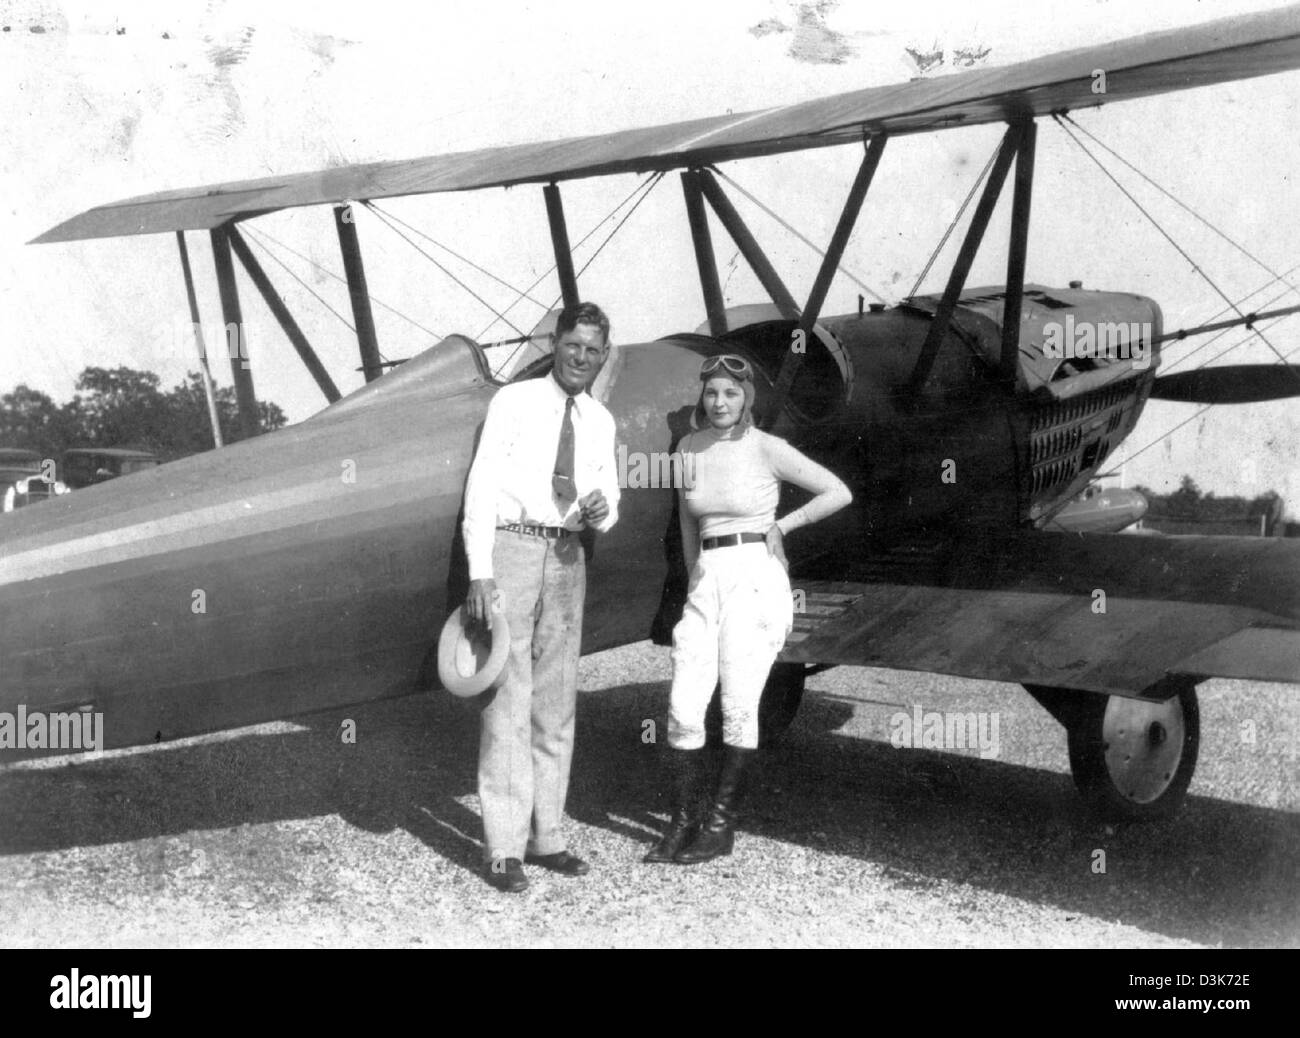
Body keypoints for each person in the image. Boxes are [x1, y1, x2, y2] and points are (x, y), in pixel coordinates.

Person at [645, 353, 852, 865]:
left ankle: (719, 827)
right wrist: (693, 581)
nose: (720, 402)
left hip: (754, 577)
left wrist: (783, 526)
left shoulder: (766, 447)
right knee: (684, 706)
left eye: (731, 393)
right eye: (712, 392)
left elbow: (837, 491)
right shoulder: (688, 448)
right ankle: (683, 820)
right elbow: (688, 524)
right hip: (707, 580)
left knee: (738, 705)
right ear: (703, 397)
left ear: (746, 400)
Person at [461, 301, 620, 893]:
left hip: (569, 556)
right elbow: (481, 486)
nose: (581, 357)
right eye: (572, 345)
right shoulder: (514, 402)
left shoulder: (600, 420)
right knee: (507, 697)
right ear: (556, 344)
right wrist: (481, 572)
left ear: (604, 357)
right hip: (514, 549)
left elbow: (610, 494)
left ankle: (547, 837)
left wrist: (603, 509)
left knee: (556, 700)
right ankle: (503, 848)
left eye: (592, 350)